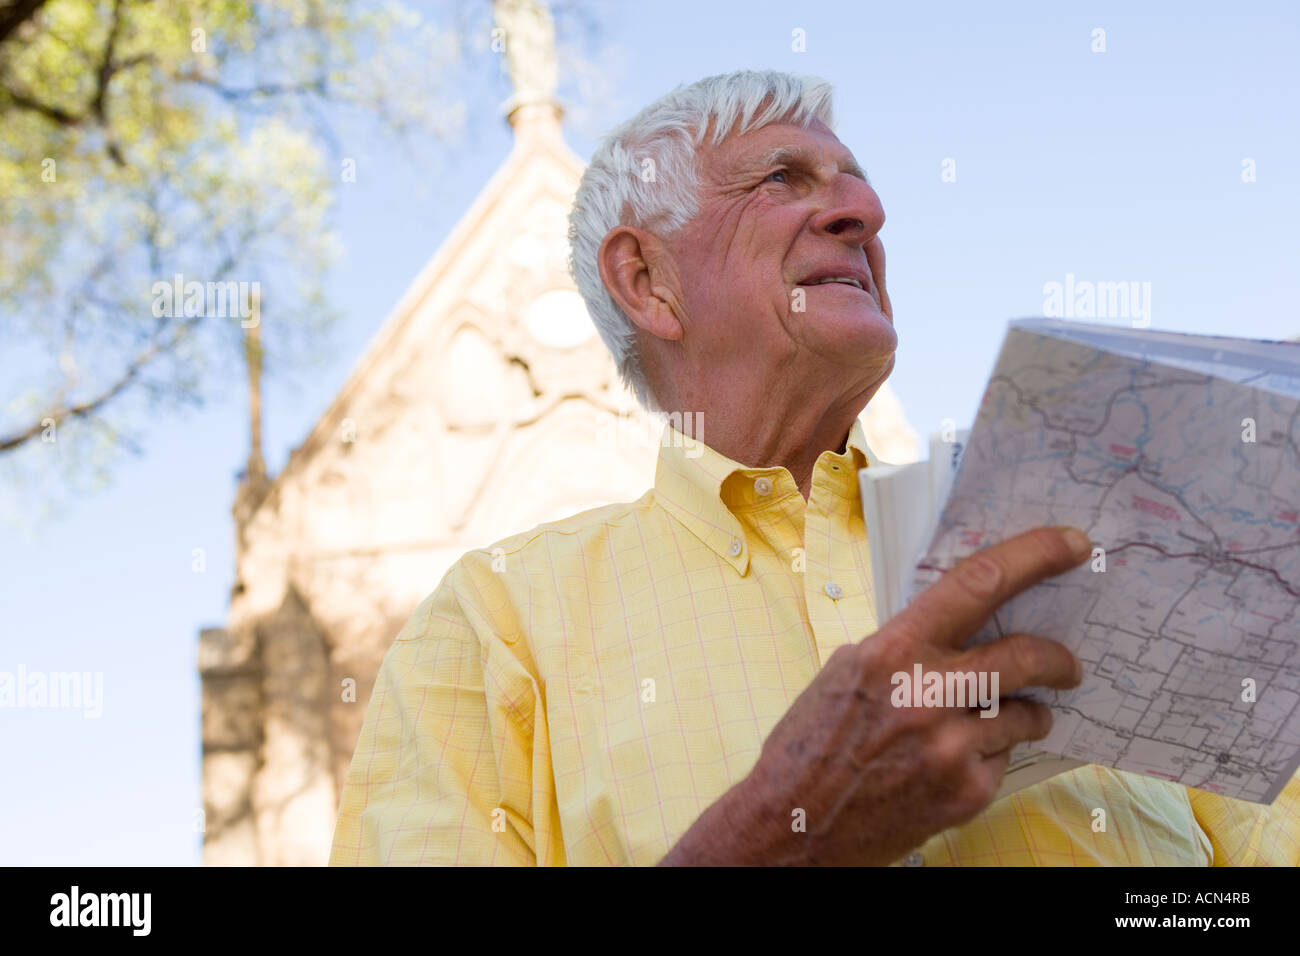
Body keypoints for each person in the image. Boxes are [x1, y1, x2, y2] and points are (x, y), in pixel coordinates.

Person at [329, 69, 1300, 865]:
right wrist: (784, 829)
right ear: (646, 279)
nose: (864, 211)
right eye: (783, 179)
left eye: (857, 182)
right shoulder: (496, 622)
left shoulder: (1111, 548)